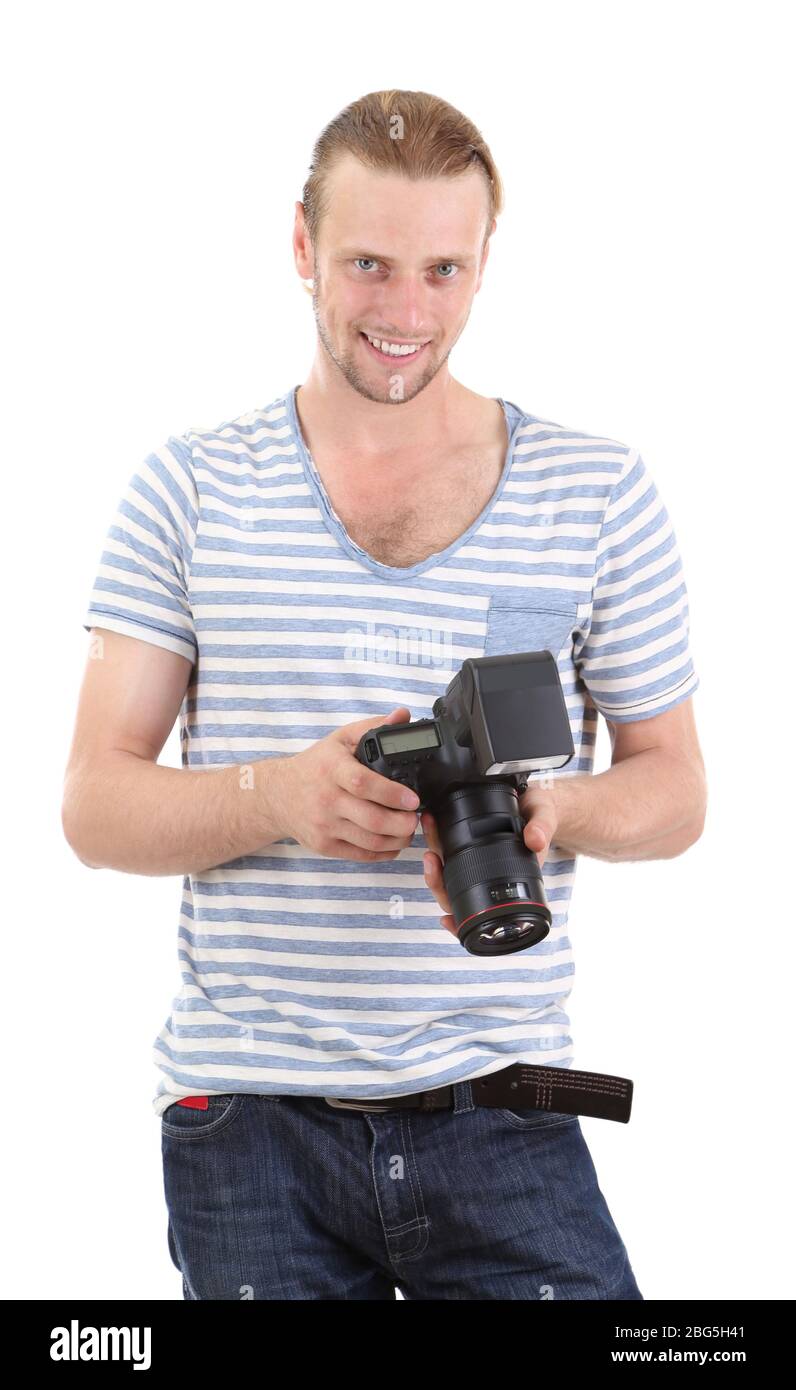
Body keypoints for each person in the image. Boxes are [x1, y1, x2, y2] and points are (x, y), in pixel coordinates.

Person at [62, 89, 706, 1301]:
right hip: (249, 1117)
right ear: (301, 247)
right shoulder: (188, 488)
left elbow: (675, 790)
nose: (406, 313)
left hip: (503, 1102)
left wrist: (553, 812)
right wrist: (280, 796)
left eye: (441, 270)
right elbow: (94, 804)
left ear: (481, 267)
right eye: (368, 263)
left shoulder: (597, 491)